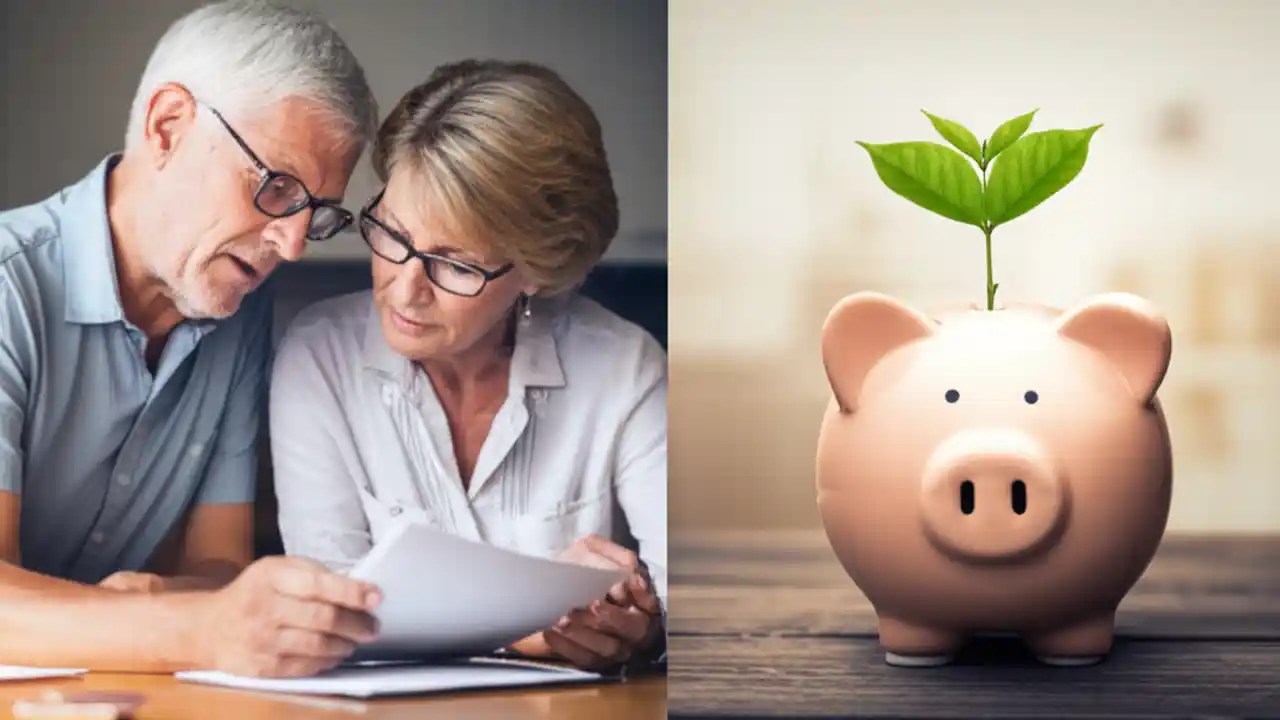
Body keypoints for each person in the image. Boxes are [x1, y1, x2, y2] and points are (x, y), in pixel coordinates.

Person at [0, 1, 384, 677]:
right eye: (276, 186)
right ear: (169, 126)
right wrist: (180, 624)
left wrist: (167, 606)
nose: (292, 245)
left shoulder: (238, 305)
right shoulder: (9, 287)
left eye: (315, 213)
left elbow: (214, 568)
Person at [271, 60, 668, 670]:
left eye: (454, 264)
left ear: (538, 269)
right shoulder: (319, 356)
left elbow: (685, 598)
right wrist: (528, 636)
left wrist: (641, 627)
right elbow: (327, 611)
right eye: (392, 235)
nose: (404, 291)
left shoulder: (624, 370)